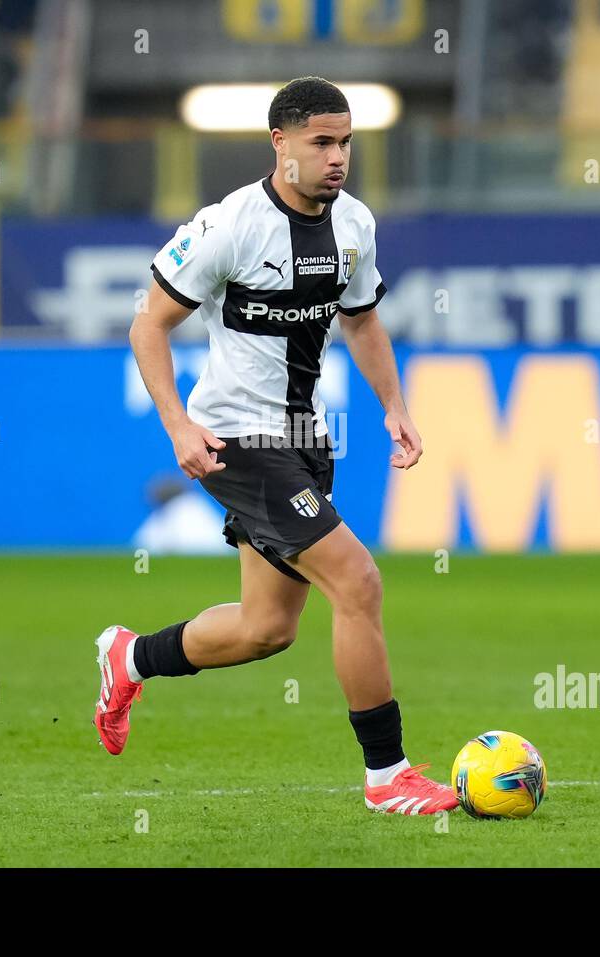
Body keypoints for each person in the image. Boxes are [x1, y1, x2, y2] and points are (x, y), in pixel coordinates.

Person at [97, 77, 457, 816]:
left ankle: (129, 656)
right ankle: (387, 775)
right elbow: (148, 325)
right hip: (239, 438)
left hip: (304, 440)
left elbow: (361, 322)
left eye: (346, 142)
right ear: (280, 143)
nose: (337, 158)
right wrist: (178, 426)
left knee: (267, 629)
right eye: (322, 142)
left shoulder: (354, 225)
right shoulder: (228, 226)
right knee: (358, 581)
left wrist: (396, 405)